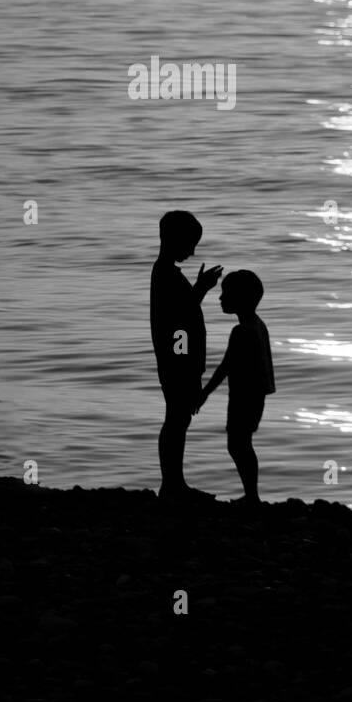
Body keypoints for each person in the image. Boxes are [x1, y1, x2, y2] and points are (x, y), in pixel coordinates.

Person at [150, 211, 222, 500]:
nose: (193, 251)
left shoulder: (166, 273)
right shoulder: (167, 275)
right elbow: (179, 318)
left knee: (178, 419)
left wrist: (197, 289)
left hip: (178, 361)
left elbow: (182, 310)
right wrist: (201, 288)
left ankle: (174, 483)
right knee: (177, 420)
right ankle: (172, 485)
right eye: (190, 244)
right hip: (178, 362)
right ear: (174, 240)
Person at [198, 270, 274, 504]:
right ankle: (252, 494)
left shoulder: (242, 331)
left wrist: (204, 394)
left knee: (238, 444)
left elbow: (226, 367)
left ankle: (252, 495)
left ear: (241, 298)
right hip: (256, 395)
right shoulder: (258, 325)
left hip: (244, 396)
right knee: (242, 443)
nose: (220, 298)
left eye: (226, 294)